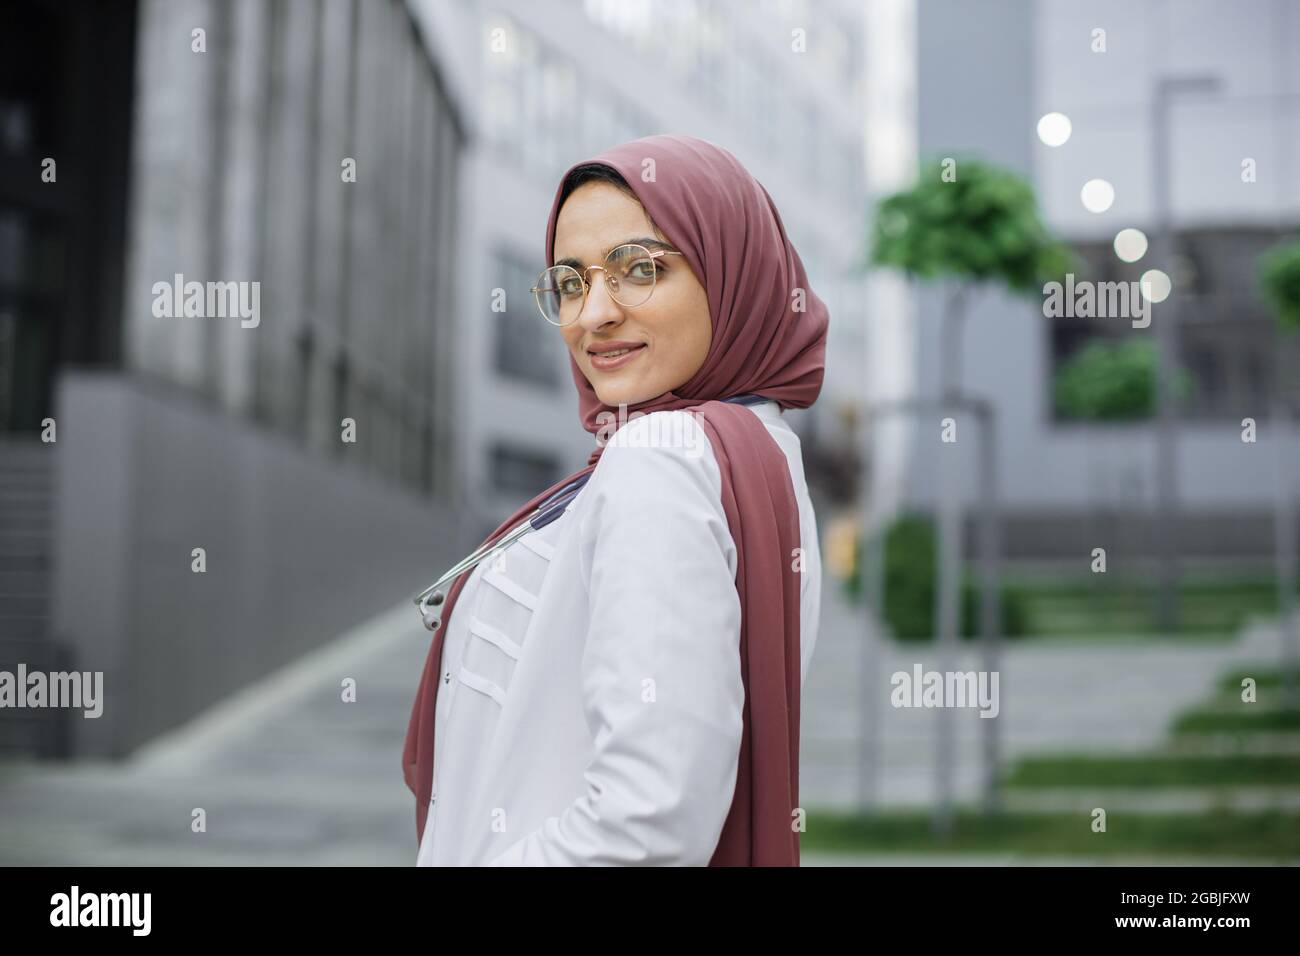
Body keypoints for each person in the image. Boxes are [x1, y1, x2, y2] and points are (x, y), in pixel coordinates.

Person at [403, 132, 829, 866]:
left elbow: (649, 820)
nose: (593, 314)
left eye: (640, 269)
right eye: (570, 282)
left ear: (731, 274)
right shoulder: (755, 453)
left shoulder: (661, 459)